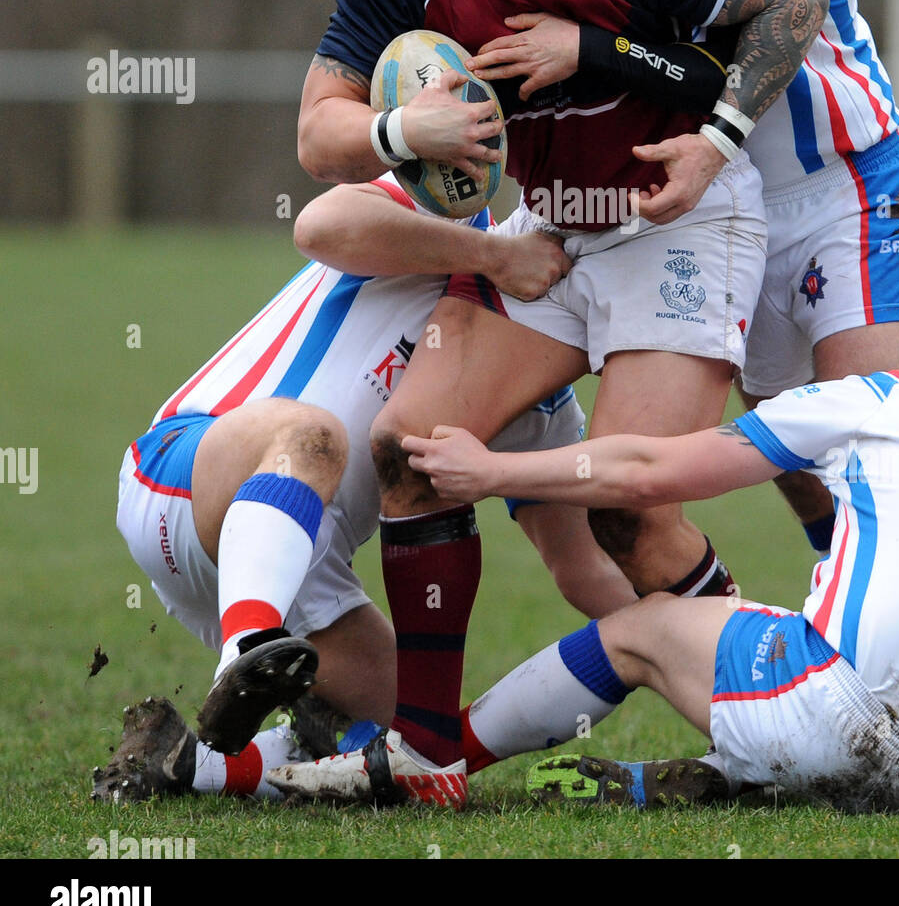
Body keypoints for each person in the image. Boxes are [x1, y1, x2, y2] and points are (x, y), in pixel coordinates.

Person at [299, 0, 828, 770]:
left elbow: (793, 3)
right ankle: (422, 757)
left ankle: (787, 710)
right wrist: (404, 136)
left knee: (629, 515)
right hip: (546, 234)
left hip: (677, 226)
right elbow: (318, 135)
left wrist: (672, 108)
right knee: (408, 453)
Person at [358, 0, 899, 558]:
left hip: (833, 186)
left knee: (869, 436)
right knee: (790, 448)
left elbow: (702, 65)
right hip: (707, 181)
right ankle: (838, 610)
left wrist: (585, 46)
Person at [270, 287, 899, 813]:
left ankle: (431, 763)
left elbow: (649, 468)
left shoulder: (883, 395)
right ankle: (759, 777)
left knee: (645, 627)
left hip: (836, 717)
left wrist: (493, 470)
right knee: (775, 632)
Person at [94, 174, 609, 808]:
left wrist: (691, 624)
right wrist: (493, 255)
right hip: (185, 479)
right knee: (314, 435)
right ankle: (247, 652)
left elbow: (582, 565)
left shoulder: (536, 392)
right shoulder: (442, 213)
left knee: (416, 731)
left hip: (299, 577)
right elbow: (320, 224)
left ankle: (190, 765)